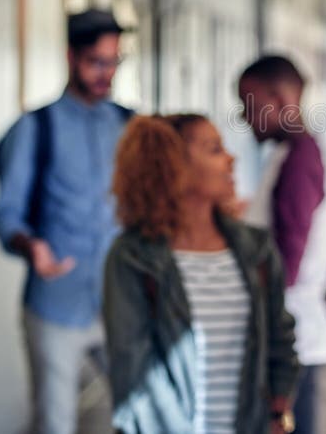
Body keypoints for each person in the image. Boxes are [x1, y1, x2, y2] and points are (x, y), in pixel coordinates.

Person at [104, 114, 299, 434]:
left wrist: (279, 407)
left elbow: (280, 336)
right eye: (214, 149)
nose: (231, 159)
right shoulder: (133, 258)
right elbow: (133, 371)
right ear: (172, 165)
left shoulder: (256, 249)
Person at [0, 8, 133, 434]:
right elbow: (5, 213)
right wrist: (29, 244)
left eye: (114, 62)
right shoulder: (36, 127)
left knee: (138, 414)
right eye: (96, 62)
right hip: (56, 304)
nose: (107, 73)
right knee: (56, 421)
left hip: (118, 303)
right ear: (71, 57)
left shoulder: (129, 124)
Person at [238, 56, 326, 434]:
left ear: (279, 99)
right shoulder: (289, 152)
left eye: (249, 103)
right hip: (287, 330)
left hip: (290, 337)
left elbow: (286, 263)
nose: (244, 115)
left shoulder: (300, 158)